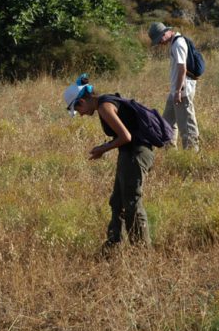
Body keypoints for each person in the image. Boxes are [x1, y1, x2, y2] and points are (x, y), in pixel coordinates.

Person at [63, 74, 155, 248]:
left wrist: (102, 149)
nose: (81, 115)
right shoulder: (105, 103)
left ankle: (142, 251)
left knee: (131, 203)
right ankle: (113, 244)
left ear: (81, 102)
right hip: (129, 153)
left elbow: (125, 136)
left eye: (78, 110)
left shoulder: (105, 107)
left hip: (136, 153)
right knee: (117, 201)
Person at [148, 22, 200, 151]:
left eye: (159, 39)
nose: (159, 43)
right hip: (175, 91)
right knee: (167, 123)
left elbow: (182, 69)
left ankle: (192, 154)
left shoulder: (178, 44)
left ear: (165, 33)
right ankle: (170, 152)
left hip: (182, 91)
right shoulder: (174, 43)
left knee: (186, 125)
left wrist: (178, 91)